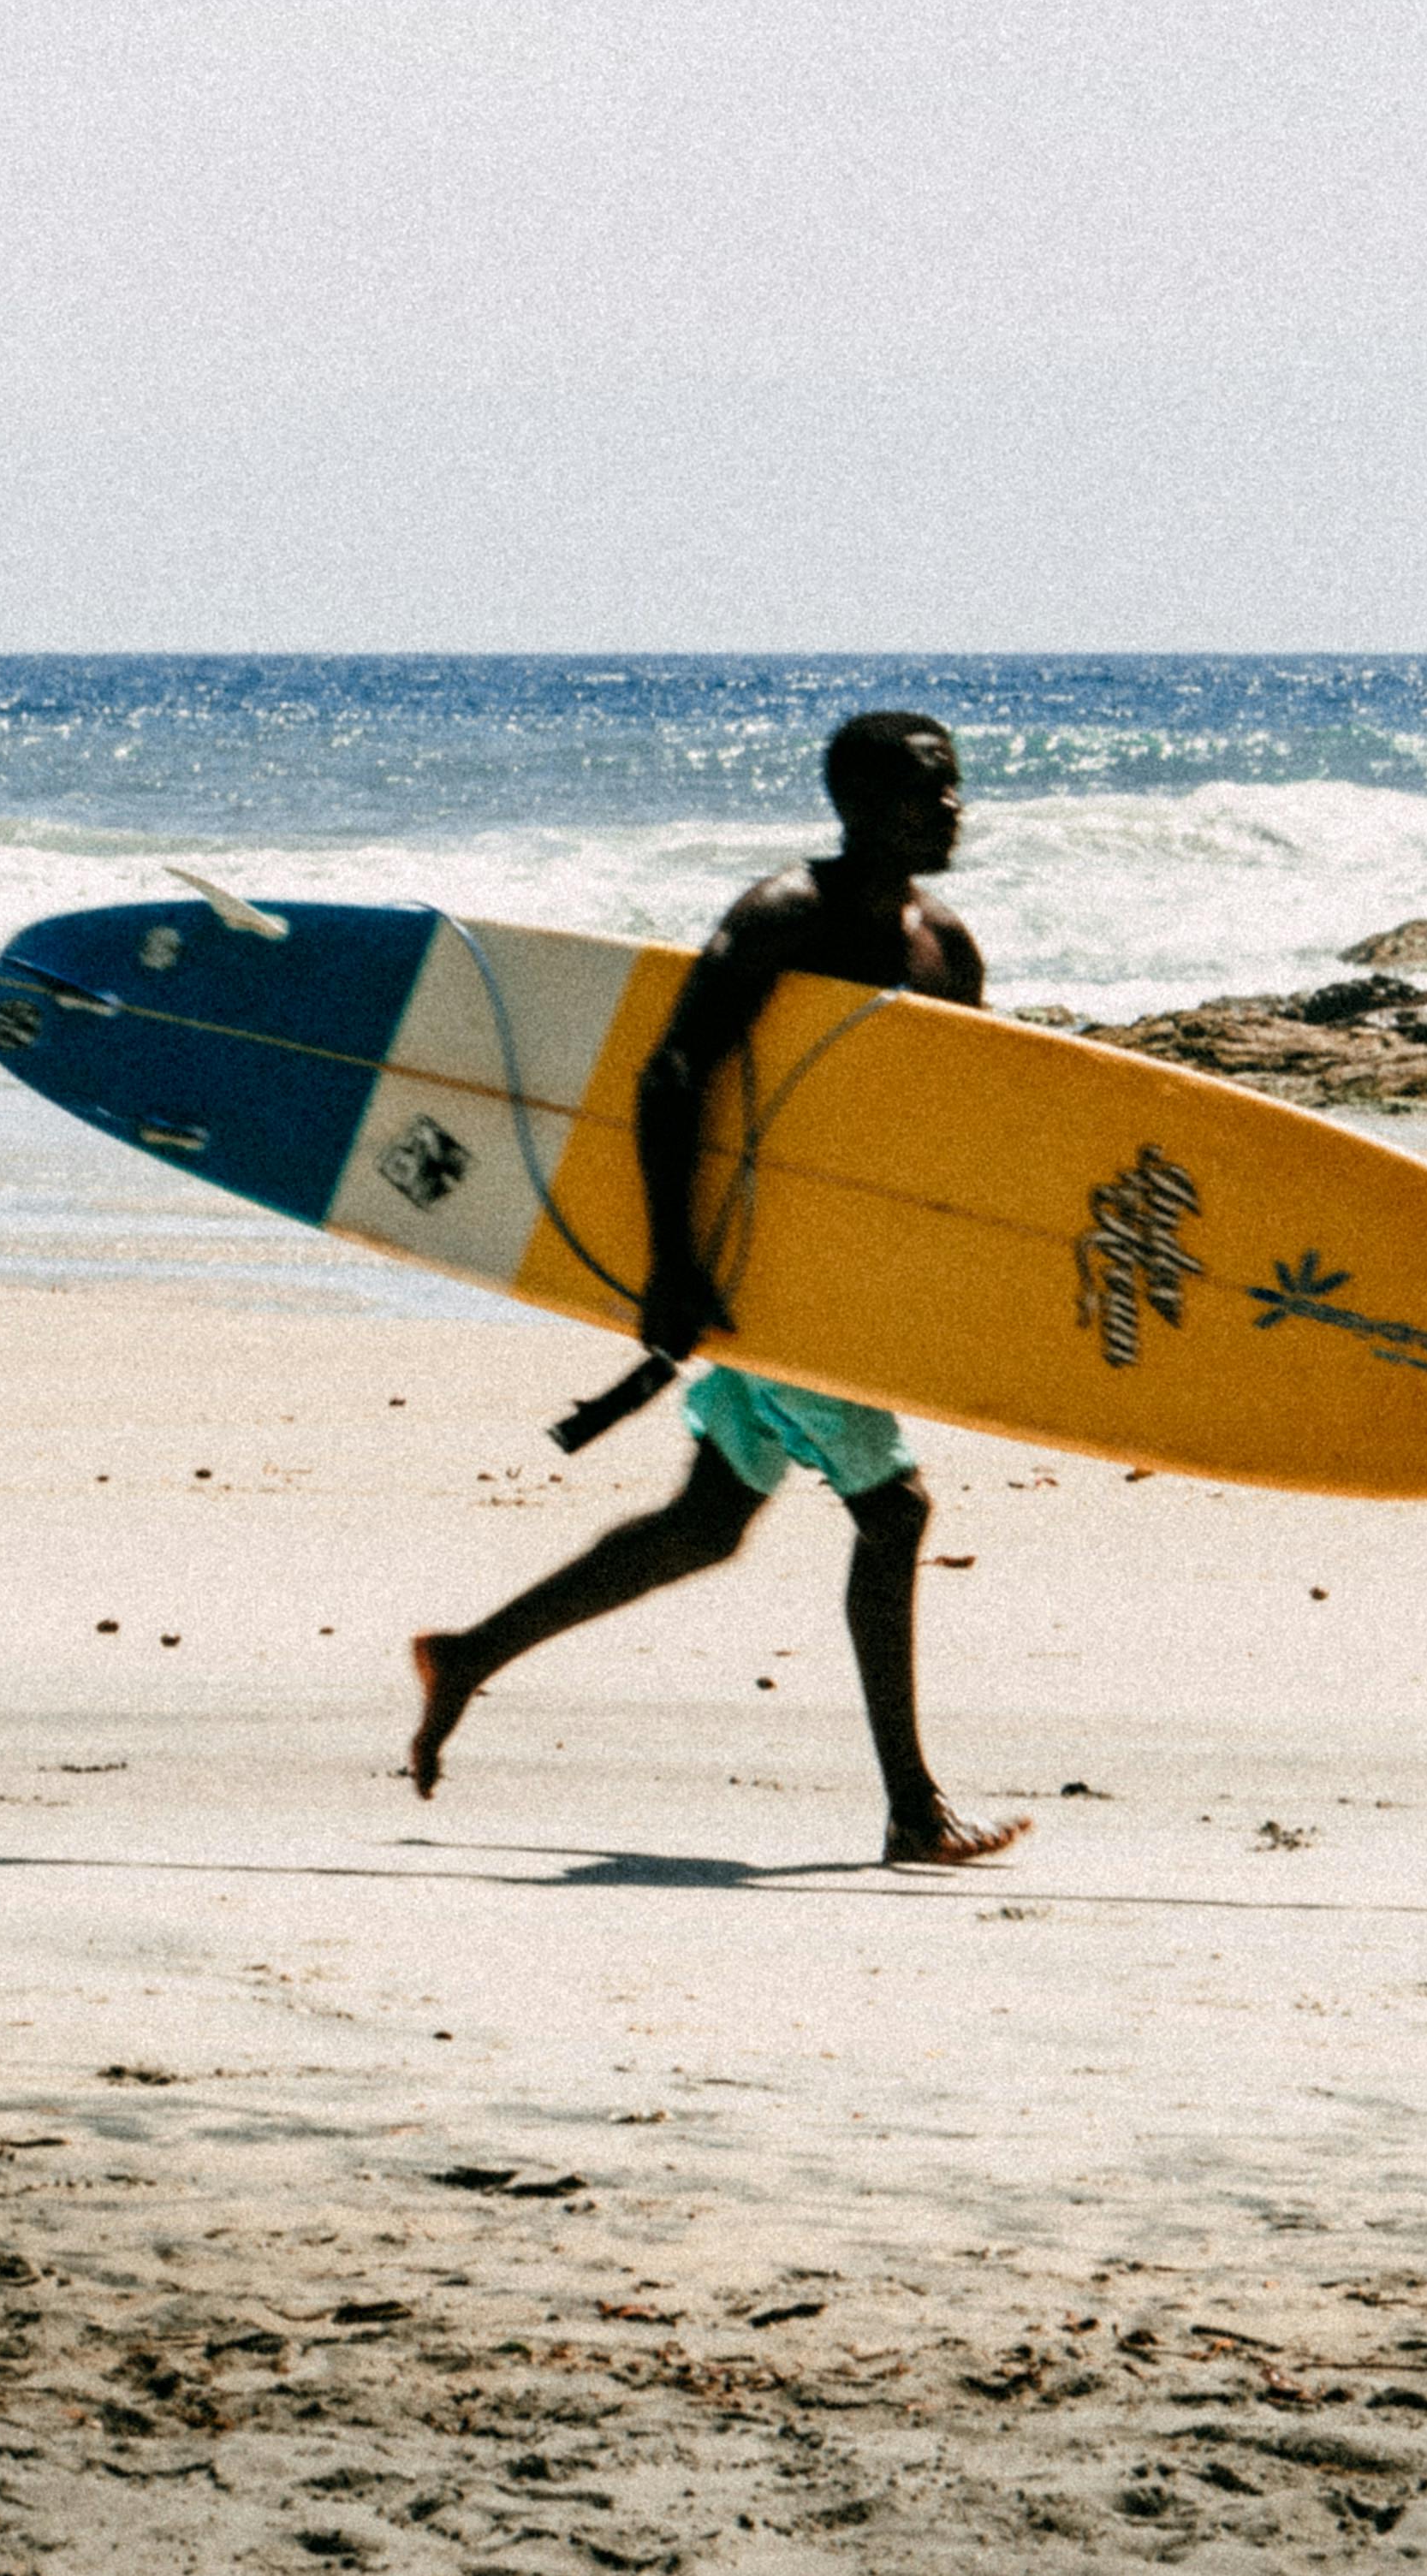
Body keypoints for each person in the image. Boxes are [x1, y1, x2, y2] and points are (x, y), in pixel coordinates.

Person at [407, 711, 1028, 1867]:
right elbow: (672, 1071)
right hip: (755, 1273)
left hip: (841, 1273)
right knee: (892, 1513)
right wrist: (674, 1264)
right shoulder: (785, 914)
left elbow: (950, 1121)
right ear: (858, 801)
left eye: (953, 789)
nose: (952, 807)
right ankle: (912, 1809)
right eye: (927, 789)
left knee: (706, 1522)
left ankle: (469, 1653)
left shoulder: (947, 941)